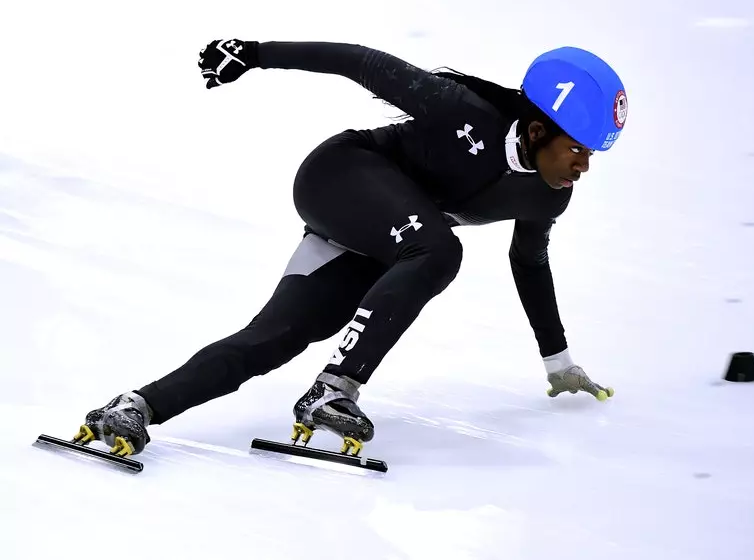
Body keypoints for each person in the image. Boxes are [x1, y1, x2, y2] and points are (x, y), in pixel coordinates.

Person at [75, 38, 627, 458]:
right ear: (535, 133)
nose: (583, 167)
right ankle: (335, 390)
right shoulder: (460, 110)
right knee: (440, 248)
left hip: (385, 240)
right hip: (338, 177)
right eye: (577, 150)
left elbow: (528, 261)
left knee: (274, 339)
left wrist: (558, 361)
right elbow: (358, 61)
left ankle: (133, 408)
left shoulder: (547, 198)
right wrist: (254, 54)